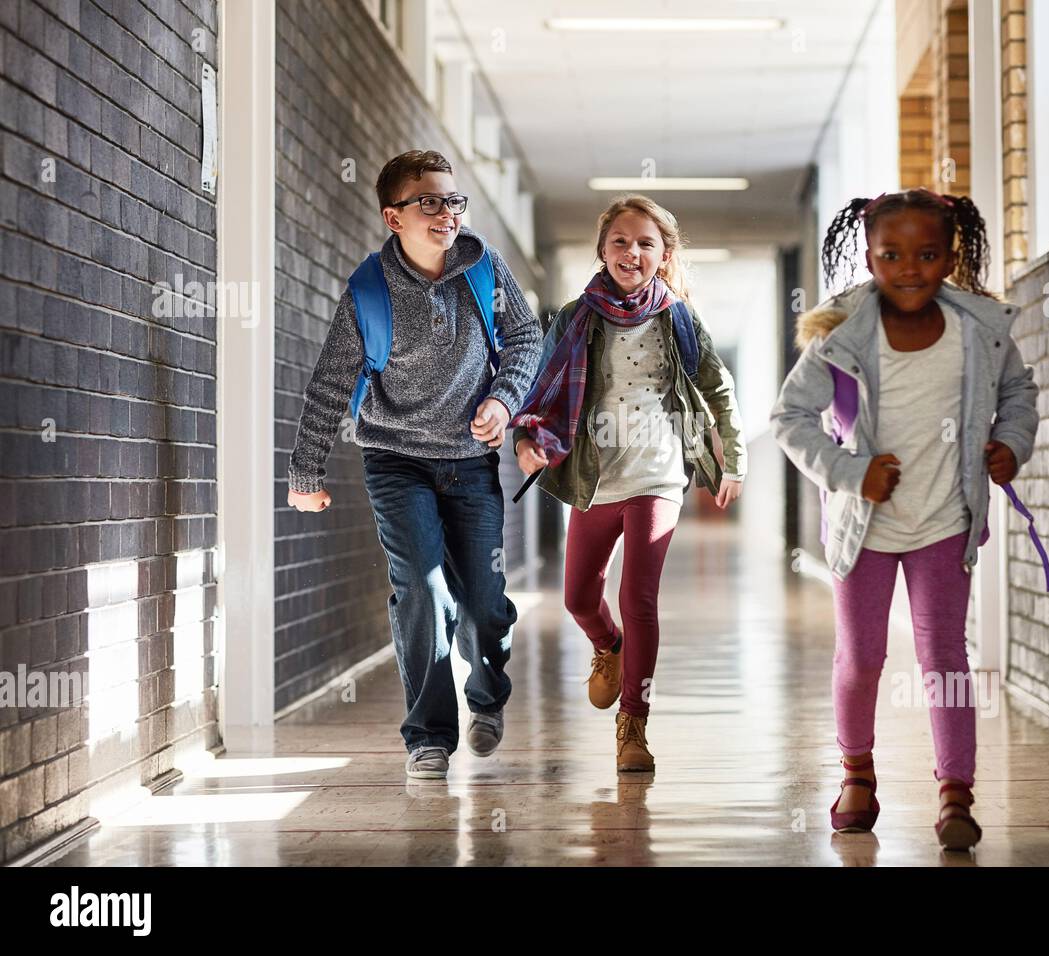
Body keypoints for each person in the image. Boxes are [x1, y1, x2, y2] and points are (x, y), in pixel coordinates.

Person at [771, 188, 1040, 849]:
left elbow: (1018, 396)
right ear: (870, 257)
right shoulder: (842, 336)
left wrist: (1011, 444)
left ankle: (955, 795)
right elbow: (789, 419)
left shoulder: (982, 329)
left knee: (944, 659)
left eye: (927, 254)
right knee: (861, 658)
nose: (911, 269)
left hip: (946, 520)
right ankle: (856, 773)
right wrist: (848, 473)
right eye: (892, 255)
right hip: (863, 525)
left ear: (952, 256)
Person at [286, 150, 542, 780]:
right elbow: (330, 383)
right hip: (396, 462)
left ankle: (486, 694)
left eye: (454, 200)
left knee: (484, 604)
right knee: (422, 594)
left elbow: (528, 339)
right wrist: (305, 473)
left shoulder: (484, 268)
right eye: (429, 201)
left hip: (470, 465)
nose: (446, 212)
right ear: (392, 217)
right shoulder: (369, 289)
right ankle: (428, 736)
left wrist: (502, 400)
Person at [511, 195, 746, 773]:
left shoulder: (680, 319)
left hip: (658, 474)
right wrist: (528, 437)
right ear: (602, 250)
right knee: (576, 598)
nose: (632, 252)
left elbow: (718, 389)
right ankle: (607, 646)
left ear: (663, 255)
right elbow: (541, 384)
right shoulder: (574, 317)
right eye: (621, 241)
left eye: (646, 243)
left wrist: (732, 460)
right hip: (594, 476)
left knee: (638, 599)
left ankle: (634, 727)